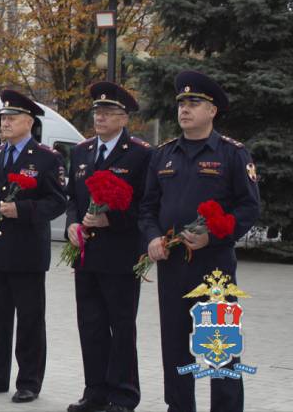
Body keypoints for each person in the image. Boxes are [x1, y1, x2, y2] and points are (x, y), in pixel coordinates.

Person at [139, 71, 260, 412]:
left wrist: (214, 237)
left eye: (194, 103)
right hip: (173, 265)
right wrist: (152, 237)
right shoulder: (164, 154)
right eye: (181, 103)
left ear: (212, 111)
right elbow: (147, 207)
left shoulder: (232, 154)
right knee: (175, 344)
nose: (185, 109)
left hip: (214, 267)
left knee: (219, 345)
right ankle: (179, 406)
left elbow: (248, 207)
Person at [0, 89, 66, 403]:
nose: (5, 123)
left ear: (29, 122)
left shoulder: (47, 158)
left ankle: (29, 382)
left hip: (27, 253)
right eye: (2, 118)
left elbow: (57, 202)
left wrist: (22, 210)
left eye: (11, 118)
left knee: (30, 321)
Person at [65, 82, 153, 412]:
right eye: (97, 112)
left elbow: (147, 205)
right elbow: (72, 198)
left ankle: (124, 394)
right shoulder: (82, 151)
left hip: (121, 256)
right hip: (86, 255)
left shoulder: (141, 154)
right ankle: (95, 392)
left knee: (121, 326)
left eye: (108, 112)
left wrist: (111, 220)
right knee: (91, 325)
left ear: (124, 118)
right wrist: (73, 224)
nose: (100, 118)